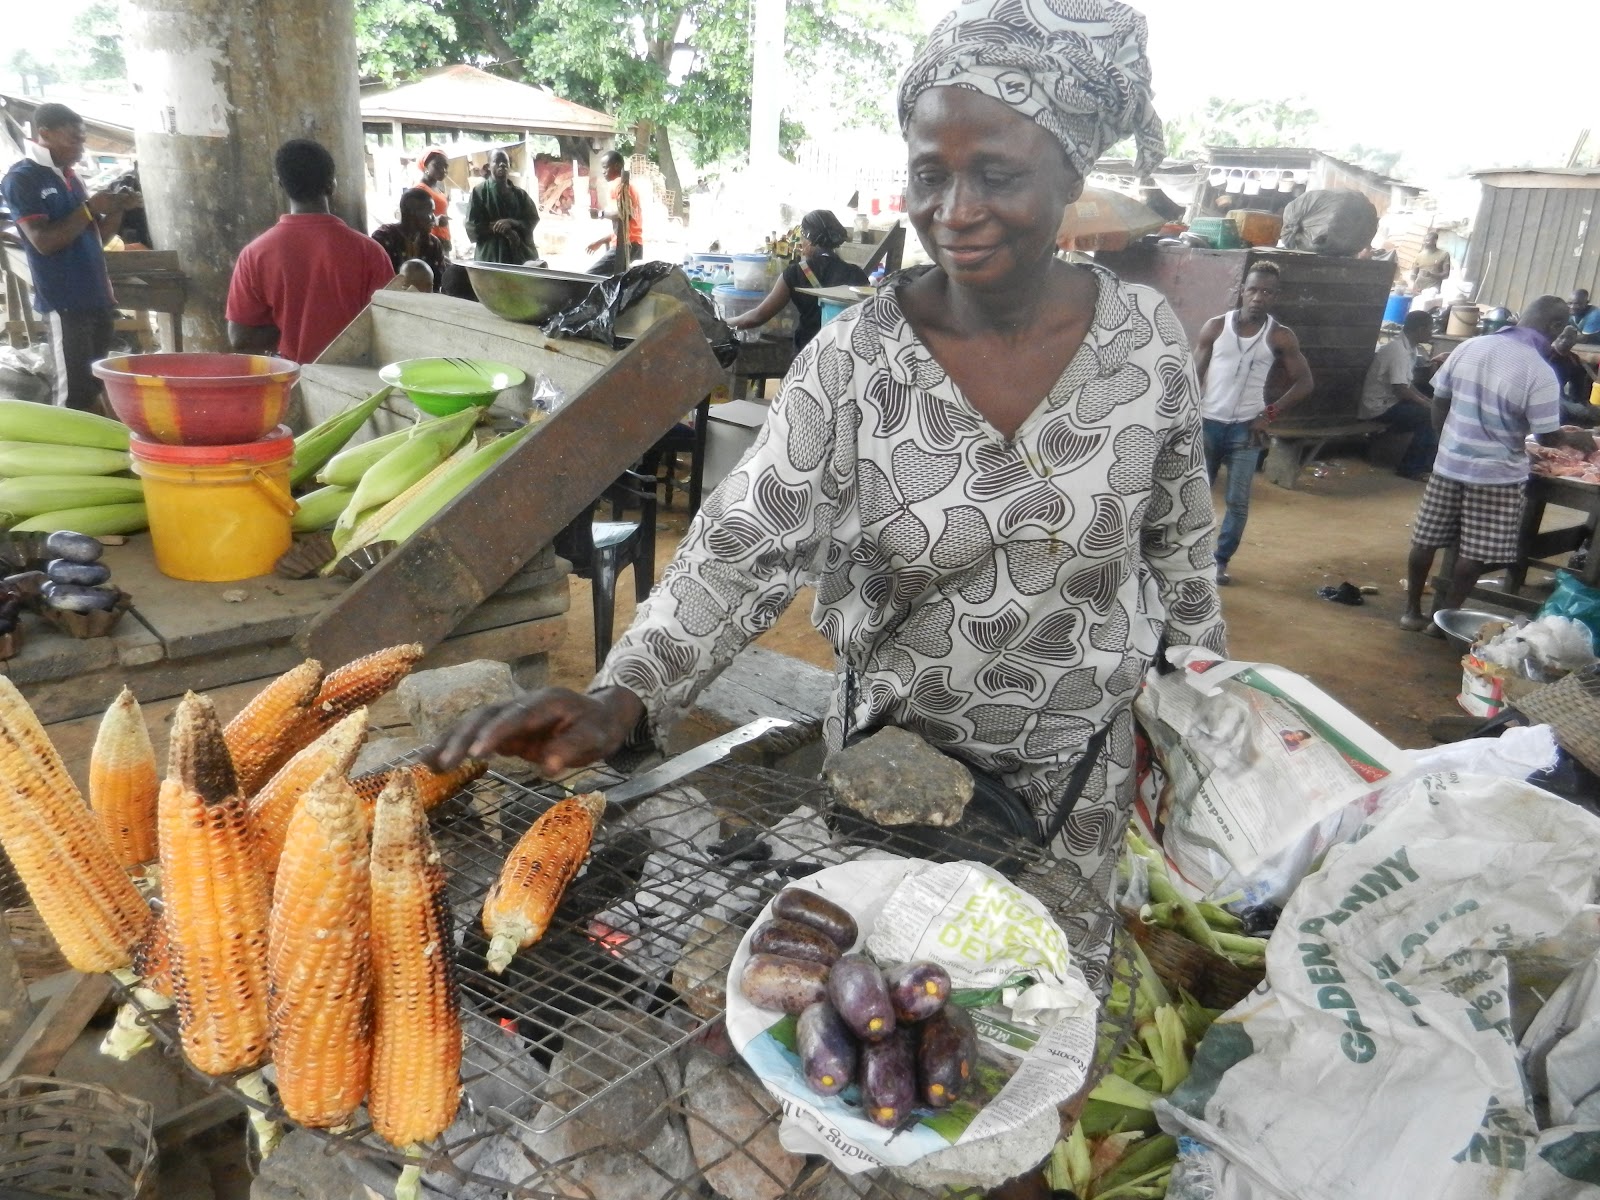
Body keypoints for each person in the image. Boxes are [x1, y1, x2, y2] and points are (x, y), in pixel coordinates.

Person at [427, 0, 1226, 920]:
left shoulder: (1145, 342)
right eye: (930, 174)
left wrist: (1206, 728)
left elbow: (1180, 552)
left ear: (1069, 172)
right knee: (894, 1009)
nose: (955, 212)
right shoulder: (861, 359)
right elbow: (742, 547)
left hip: (1076, 788)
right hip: (895, 790)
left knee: (1041, 1018)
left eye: (997, 173)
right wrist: (627, 695)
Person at [1401, 295, 1595, 631]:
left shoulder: (1470, 347)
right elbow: (1546, 437)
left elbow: (1439, 402)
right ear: (1553, 327)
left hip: (1449, 464)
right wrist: (1577, 439)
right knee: (1474, 553)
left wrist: (1446, 442)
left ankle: (1411, 612)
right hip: (1497, 476)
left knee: (1426, 540)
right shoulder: (1538, 371)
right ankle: (1443, 620)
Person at [1, 103, 141, 411]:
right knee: (72, 392)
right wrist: (90, 207)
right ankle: (63, 453)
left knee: (94, 383)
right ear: (44, 134)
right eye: (73, 139)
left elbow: (97, 237)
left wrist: (116, 208)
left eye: (83, 140)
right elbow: (44, 242)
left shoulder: (70, 178)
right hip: (65, 301)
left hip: (97, 297)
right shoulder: (23, 179)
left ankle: (94, 452)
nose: (80, 147)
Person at [1193, 261, 1314, 585]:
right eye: (1253, 289)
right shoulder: (1216, 327)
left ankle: (1219, 561)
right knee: (1195, 496)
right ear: (1242, 291)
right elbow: (1192, 376)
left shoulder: (1280, 336)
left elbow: (1305, 383)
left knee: (1237, 500)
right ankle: (1191, 558)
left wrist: (1268, 415)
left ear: (1275, 296)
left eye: (1267, 292)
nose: (1258, 297)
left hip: (1247, 430)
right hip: (1207, 424)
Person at [225, 139, 396, 364]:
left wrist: (290, 328)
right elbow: (390, 325)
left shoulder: (254, 254)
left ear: (281, 185)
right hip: (357, 383)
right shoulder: (370, 252)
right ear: (332, 185)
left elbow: (240, 338)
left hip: (291, 378)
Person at [724, 210, 869, 348]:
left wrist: (724, 324)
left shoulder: (796, 273)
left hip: (807, 354)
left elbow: (758, 316)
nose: (801, 242)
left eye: (803, 237)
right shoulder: (856, 274)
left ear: (810, 240)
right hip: (841, 352)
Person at [1359, 311, 1439, 480]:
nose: (1431, 333)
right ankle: (1412, 468)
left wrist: (1427, 401)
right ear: (1420, 329)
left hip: (1391, 402)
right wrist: (1426, 405)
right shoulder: (1398, 351)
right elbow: (1401, 390)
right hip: (1378, 407)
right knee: (1427, 417)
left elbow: (1408, 385)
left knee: (1430, 412)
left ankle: (1424, 465)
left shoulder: (1409, 349)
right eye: (1430, 329)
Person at [466, 150, 539, 264]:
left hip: (518, 254)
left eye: (505, 161)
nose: (502, 164)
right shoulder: (479, 192)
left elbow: (532, 219)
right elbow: (472, 226)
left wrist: (512, 222)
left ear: (509, 165)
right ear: (489, 166)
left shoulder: (520, 195)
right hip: (490, 256)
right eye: (497, 161)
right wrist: (500, 228)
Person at [371, 188, 445, 289]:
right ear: (412, 214)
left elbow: (437, 284)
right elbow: (378, 282)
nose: (433, 218)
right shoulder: (384, 238)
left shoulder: (433, 244)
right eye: (430, 212)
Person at [585, 151, 643, 273]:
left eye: (605, 167)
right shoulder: (625, 185)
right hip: (632, 243)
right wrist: (600, 241)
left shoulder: (618, 185)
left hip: (627, 245)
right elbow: (623, 225)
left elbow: (624, 214)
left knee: (589, 277)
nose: (603, 171)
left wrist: (600, 214)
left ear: (616, 166)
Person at [1550, 324, 1599, 426]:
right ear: (1556, 337)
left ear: (1574, 342)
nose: (1564, 341)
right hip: (1543, 395)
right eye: (1561, 337)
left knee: (1591, 413)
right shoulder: (1546, 354)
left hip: (1561, 396)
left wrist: (1581, 404)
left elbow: (1577, 389)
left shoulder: (1574, 360)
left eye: (1569, 338)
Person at [416, 149, 452, 250]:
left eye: (446, 166)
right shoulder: (420, 190)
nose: (443, 170)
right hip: (429, 242)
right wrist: (435, 221)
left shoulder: (438, 190)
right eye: (438, 165)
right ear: (426, 166)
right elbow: (415, 219)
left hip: (443, 239)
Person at [1412, 230, 1450, 295]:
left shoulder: (1443, 254)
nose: (1425, 243)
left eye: (1428, 241)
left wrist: (1431, 275)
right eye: (1424, 241)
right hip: (1418, 288)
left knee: (1428, 300)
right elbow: (1414, 273)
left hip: (1433, 289)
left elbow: (1446, 274)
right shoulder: (1419, 255)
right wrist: (1413, 285)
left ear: (1435, 241)